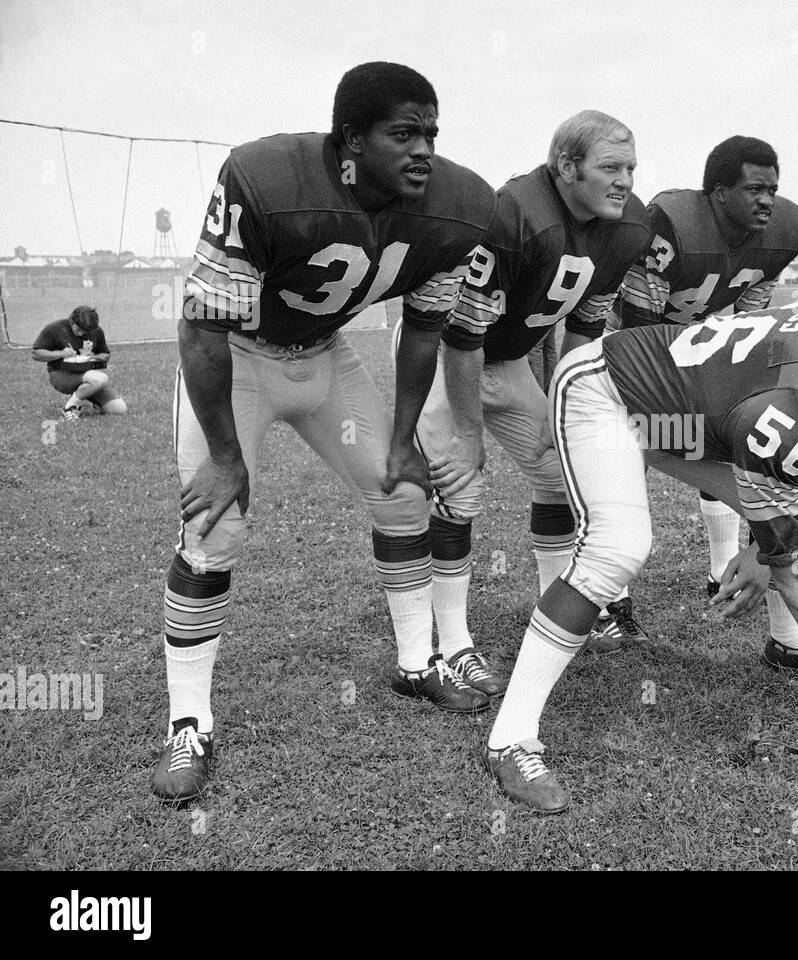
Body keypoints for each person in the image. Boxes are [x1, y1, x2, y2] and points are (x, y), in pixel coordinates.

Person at [150, 62, 497, 803]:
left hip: (325, 358)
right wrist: (223, 456)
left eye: (431, 133)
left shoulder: (459, 208)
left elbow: (424, 332)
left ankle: (415, 663)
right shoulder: (266, 177)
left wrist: (404, 438)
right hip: (236, 353)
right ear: (350, 140)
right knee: (215, 527)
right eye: (402, 133)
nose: (423, 150)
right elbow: (204, 328)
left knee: (402, 492)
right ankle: (189, 719)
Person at [483, 261, 798, 813]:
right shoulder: (797, 398)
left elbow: (781, 489)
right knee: (617, 547)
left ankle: (788, 645)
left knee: (783, 533)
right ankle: (510, 737)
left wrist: (763, 543)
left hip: (688, 412)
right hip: (609, 391)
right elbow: (797, 567)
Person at [403, 110, 652, 669]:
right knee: (458, 486)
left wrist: (560, 404)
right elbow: (462, 334)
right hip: (451, 354)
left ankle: (553, 607)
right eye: (610, 166)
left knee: (556, 472)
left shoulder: (628, 228)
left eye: (631, 167)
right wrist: (469, 435)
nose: (626, 181)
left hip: (509, 357)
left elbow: (586, 328)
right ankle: (455, 642)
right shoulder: (516, 213)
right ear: (566, 166)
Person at [617, 135, 798, 672]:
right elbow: (637, 330)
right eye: (755, 188)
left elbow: (749, 318)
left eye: (773, 189)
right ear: (719, 192)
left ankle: (785, 635)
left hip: (701, 348)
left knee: (751, 459)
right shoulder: (674, 224)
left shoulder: (782, 233)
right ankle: (611, 603)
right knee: (617, 480)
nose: (768, 200)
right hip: (626, 358)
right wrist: (663, 413)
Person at [31, 306, 129, 419]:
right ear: (71, 321)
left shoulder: (96, 331)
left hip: (88, 375)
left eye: (86, 332)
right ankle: (70, 406)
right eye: (78, 330)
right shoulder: (54, 329)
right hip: (61, 374)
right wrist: (61, 354)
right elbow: (36, 353)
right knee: (101, 378)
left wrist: (91, 358)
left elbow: (105, 355)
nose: (81, 334)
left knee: (120, 410)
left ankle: (89, 398)